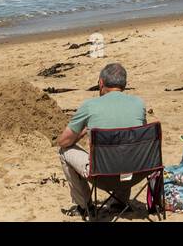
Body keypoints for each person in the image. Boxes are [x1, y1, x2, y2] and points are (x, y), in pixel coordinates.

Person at [57, 63, 148, 218]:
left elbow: (64, 141)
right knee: (125, 149)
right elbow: (139, 139)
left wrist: (83, 132)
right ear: (124, 84)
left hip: (101, 175)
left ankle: (85, 206)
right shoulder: (139, 104)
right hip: (135, 173)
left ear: (100, 83)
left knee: (64, 151)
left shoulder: (89, 106)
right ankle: (119, 203)